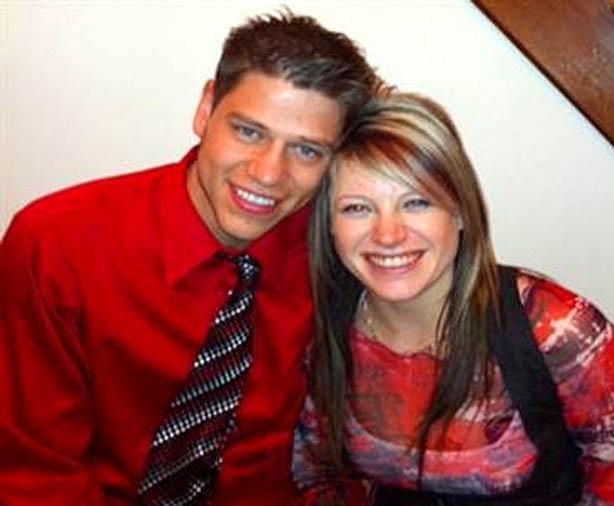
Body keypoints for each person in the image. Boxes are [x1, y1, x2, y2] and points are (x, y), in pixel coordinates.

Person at [0, 10, 382, 505]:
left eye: (307, 151)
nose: (268, 173)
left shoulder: (342, 254)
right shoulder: (58, 244)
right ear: (206, 109)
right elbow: (35, 469)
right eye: (249, 132)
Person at [292, 91, 614, 505]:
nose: (388, 234)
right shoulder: (319, 325)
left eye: (416, 202)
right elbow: (313, 469)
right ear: (328, 224)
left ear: (458, 210)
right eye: (357, 209)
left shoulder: (557, 328)